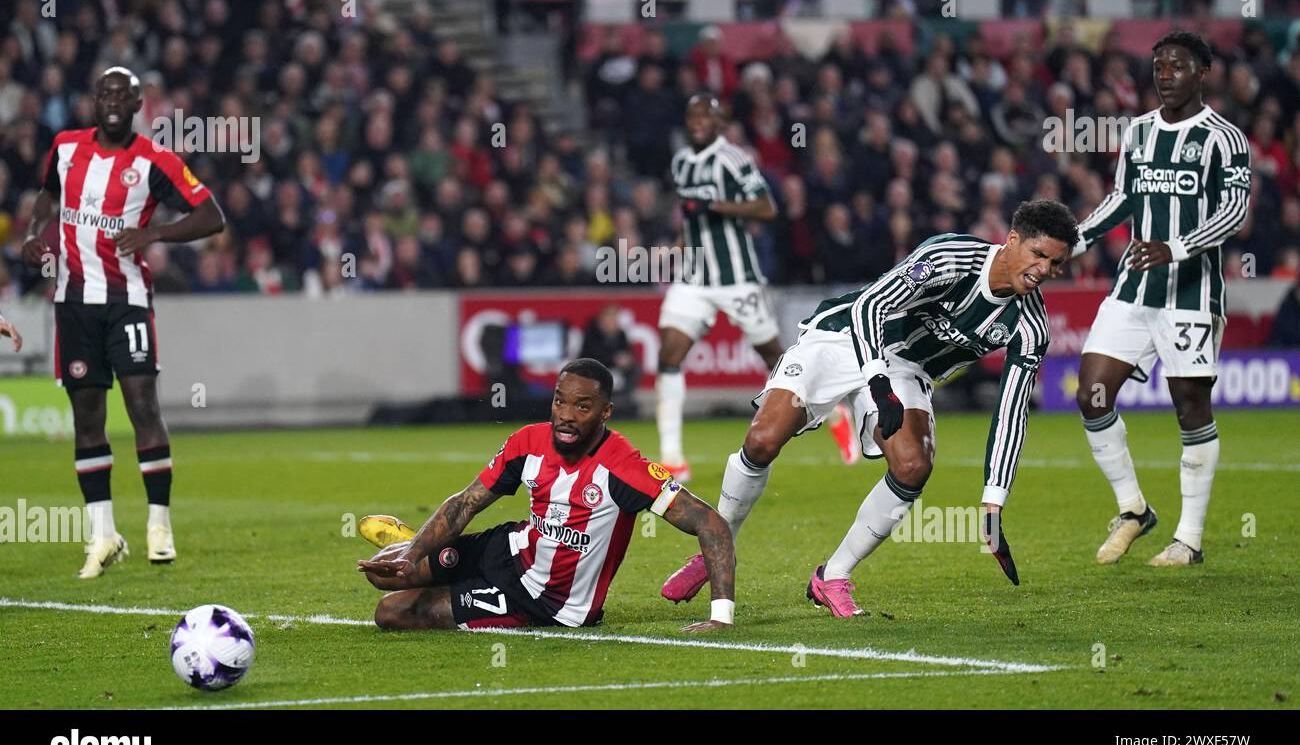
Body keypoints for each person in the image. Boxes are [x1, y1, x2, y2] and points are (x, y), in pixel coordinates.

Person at [662, 200, 1078, 617]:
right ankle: (717, 547)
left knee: (913, 466)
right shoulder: (949, 258)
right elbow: (870, 306)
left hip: (908, 369)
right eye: (1038, 254)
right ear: (1012, 241)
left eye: (1055, 264)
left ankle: (833, 575)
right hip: (846, 336)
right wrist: (878, 384)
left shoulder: (1031, 326)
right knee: (762, 440)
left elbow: (1011, 412)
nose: (1044, 269)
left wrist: (994, 501)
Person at [21, 67, 226, 577]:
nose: (113, 100)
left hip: (127, 300)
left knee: (141, 405)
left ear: (137, 105)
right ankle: (102, 535)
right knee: (87, 418)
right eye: (105, 92)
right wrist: (34, 231)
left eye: (123, 94)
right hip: (73, 303)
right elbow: (48, 193)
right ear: (94, 100)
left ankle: (159, 524)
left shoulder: (155, 161)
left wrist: (156, 233)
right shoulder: (66, 147)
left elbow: (211, 215)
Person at [356, 359, 736, 632]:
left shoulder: (623, 468)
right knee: (385, 571)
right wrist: (413, 555)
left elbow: (710, 522)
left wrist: (721, 616)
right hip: (512, 548)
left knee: (390, 612)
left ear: (606, 412)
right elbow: (466, 503)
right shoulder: (528, 442)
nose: (566, 415)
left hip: (549, 601)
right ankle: (416, 546)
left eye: (582, 406)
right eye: (559, 401)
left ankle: (455, 586)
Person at [1073, 30, 1251, 567]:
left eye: (1177, 65)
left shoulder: (1224, 138)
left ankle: (1189, 540)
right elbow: (1123, 198)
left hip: (1191, 295)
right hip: (1132, 289)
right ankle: (1134, 510)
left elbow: (1235, 211)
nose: (1166, 74)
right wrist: (1075, 238)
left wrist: (1175, 247)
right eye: (1159, 66)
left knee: (1190, 406)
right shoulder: (1141, 132)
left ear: (1202, 73)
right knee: (1091, 395)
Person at [656, 95, 859, 481]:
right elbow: (689, 218)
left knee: (773, 357)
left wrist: (718, 205)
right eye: (692, 115)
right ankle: (671, 457)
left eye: (705, 115)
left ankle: (834, 413)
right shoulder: (681, 162)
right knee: (669, 354)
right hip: (693, 278)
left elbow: (766, 207)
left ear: (718, 122)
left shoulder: (733, 160)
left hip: (737, 278)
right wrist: (677, 249)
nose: (697, 121)